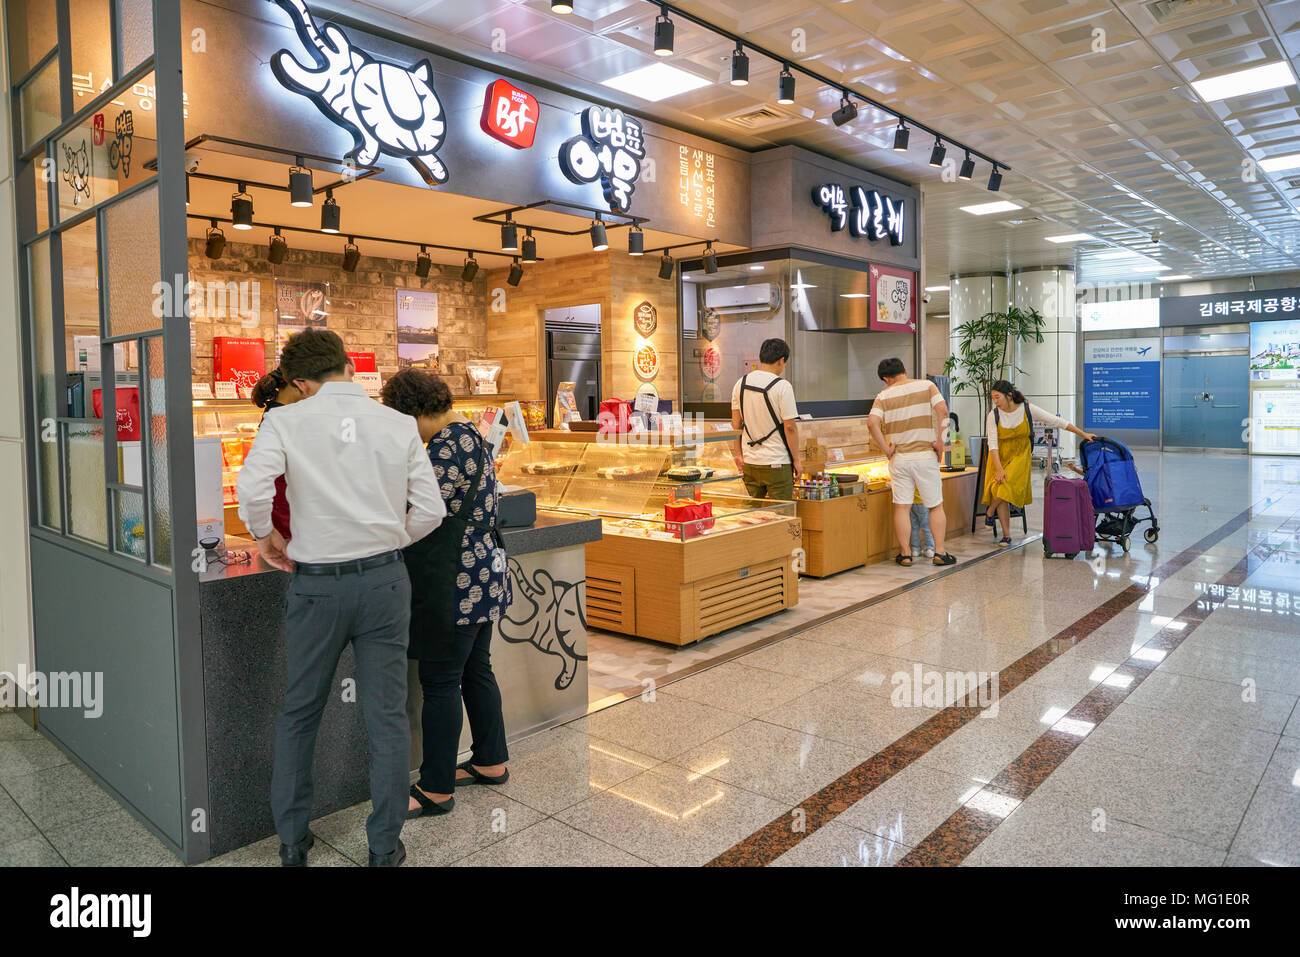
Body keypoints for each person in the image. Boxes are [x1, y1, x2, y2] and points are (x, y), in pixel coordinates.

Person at [236, 329, 446, 868]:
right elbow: (430, 511)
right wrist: (388, 539)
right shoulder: (398, 424)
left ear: (300, 383)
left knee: (300, 711)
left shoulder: (285, 419)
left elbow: (253, 491)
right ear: (350, 366)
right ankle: (383, 846)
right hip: (384, 583)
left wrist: (266, 536)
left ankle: (291, 842)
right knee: (387, 715)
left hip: (317, 586)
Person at [379, 370, 512, 820]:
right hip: (482, 574)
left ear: (415, 412)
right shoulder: (470, 435)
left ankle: (435, 787)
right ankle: (491, 760)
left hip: (455, 581)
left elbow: (416, 509)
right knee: (476, 669)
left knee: (440, 683)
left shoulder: (444, 448)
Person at [983, 379, 1095, 546]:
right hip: (999, 457)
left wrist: (1083, 433)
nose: (996, 402)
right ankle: (1006, 535)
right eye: (993, 398)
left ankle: (990, 511)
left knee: (1004, 486)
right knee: (1000, 489)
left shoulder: (1027, 409)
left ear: (1009, 395)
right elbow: (992, 444)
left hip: (1021, 455)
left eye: (998, 397)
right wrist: (998, 468)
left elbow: (1057, 422)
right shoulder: (994, 415)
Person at [867, 357, 956, 567]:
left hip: (900, 459)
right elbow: (943, 412)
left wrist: (887, 449)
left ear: (885, 379)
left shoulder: (883, 395)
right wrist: (940, 443)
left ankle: (906, 554)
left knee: (902, 507)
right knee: (935, 506)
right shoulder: (927, 385)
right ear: (905, 370)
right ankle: (939, 553)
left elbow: (871, 423)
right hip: (925, 455)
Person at [730, 338, 801, 500]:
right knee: (781, 516)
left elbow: (736, 424)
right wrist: (797, 460)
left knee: (749, 516)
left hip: (749, 462)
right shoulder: (783, 386)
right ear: (781, 360)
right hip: (777, 463)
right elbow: (790, 427)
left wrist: (738, 454)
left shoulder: (740, 384)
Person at [249, 367, 302, 541]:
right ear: (297, 384)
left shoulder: (278, 414)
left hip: (285, 513)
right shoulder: (282, 420)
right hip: (285, 518)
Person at [910, 489, 935, 559]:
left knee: (914, 528)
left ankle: (915, 549)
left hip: (911, 503)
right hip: (923, 502)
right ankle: (929, 549)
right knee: (926, 528)